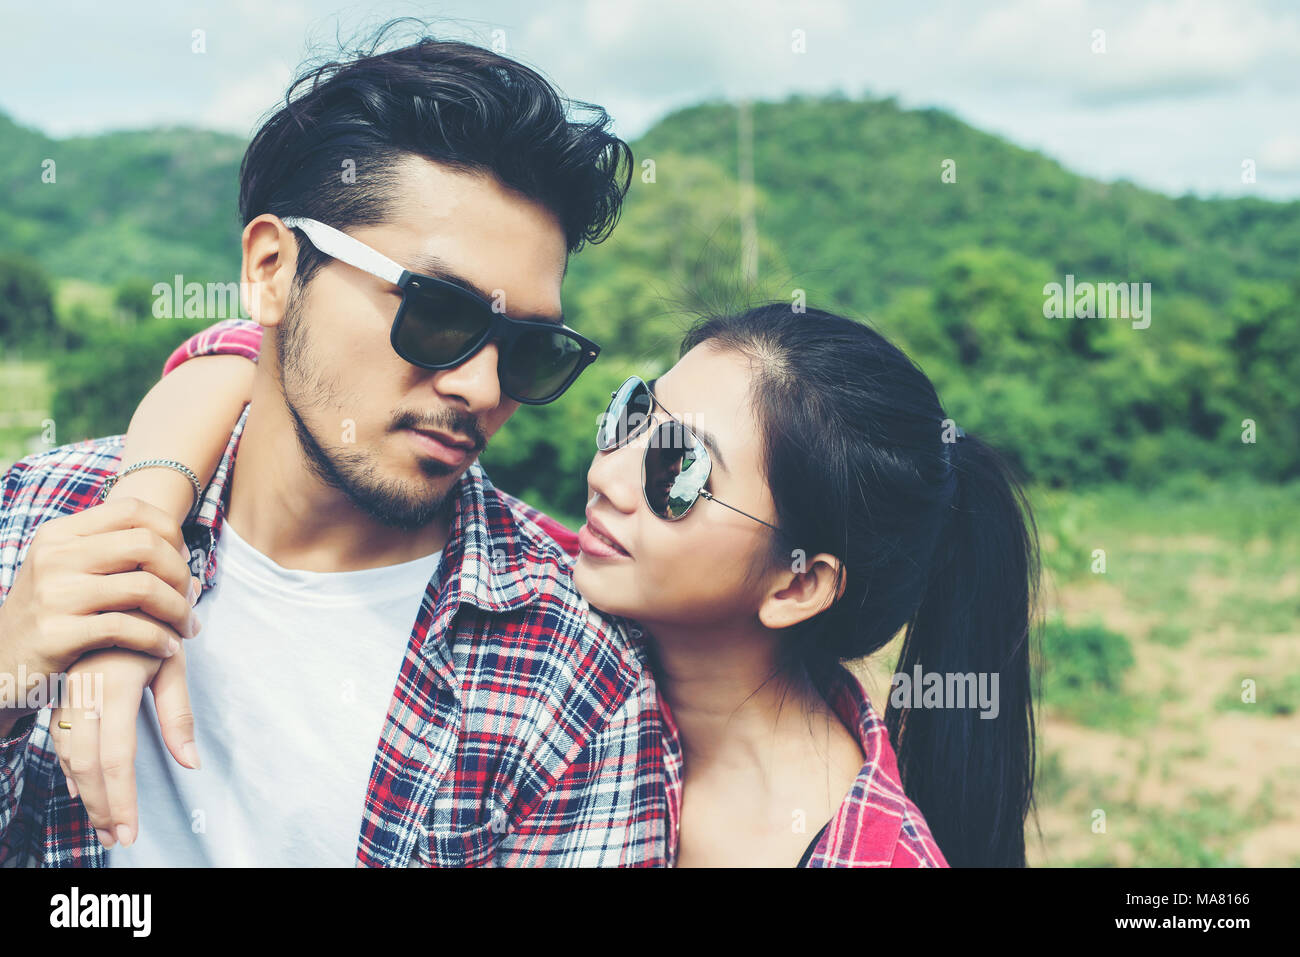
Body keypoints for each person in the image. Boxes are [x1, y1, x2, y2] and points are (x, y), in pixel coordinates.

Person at [46, 301, 1041, 867]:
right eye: (631, 417)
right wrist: (138, 528)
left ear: (796, 584)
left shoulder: (857, 849)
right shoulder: (569, 581)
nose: (611, 474)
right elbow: (253, 357)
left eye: (678, 476)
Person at [0, 33, 673, 867]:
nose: (482, 388)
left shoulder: (571, 679)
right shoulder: (38, 516)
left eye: (530, 349)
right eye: (439, 313)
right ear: (273, 269)